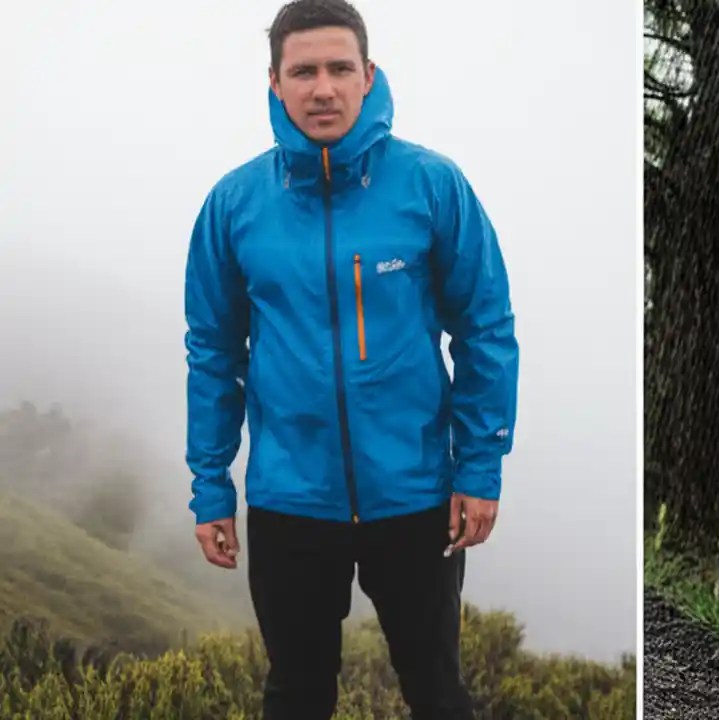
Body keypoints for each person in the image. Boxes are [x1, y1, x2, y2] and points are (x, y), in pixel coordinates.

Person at [183, 1, 518, 717]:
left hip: (417, 495)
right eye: (303, 71)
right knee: (297, 694)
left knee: (436, 690)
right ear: (274, 82)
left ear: (369, 75)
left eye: (340, 68)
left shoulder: (432, 186)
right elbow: (213, 352)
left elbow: (485, 328)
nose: (323, 88)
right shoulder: (234, 204)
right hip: (289, 501)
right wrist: (211, 483)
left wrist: (480, 466)